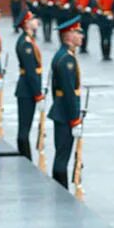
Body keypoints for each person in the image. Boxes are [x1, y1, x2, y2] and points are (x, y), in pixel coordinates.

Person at [48, 17, 84, 188]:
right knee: (63, 156)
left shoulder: (62, 55)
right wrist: (75, 119)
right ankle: (61, 190)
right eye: (78, 32)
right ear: (69, 35)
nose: (81, 36)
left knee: (61, 153)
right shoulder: (66, 60)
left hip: (61, 110)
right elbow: (69, 92)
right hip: (65, 113)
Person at [14, 10, 45, 160]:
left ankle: (25, 157)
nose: (36, 21)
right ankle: (25, 158)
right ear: (26, 23)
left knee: (25, 127)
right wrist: (38, 94)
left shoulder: (28, 40)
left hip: (27, 90)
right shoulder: (25, 43)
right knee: (24, 129)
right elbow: (30, 72)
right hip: (27, 91)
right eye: (33, 19)